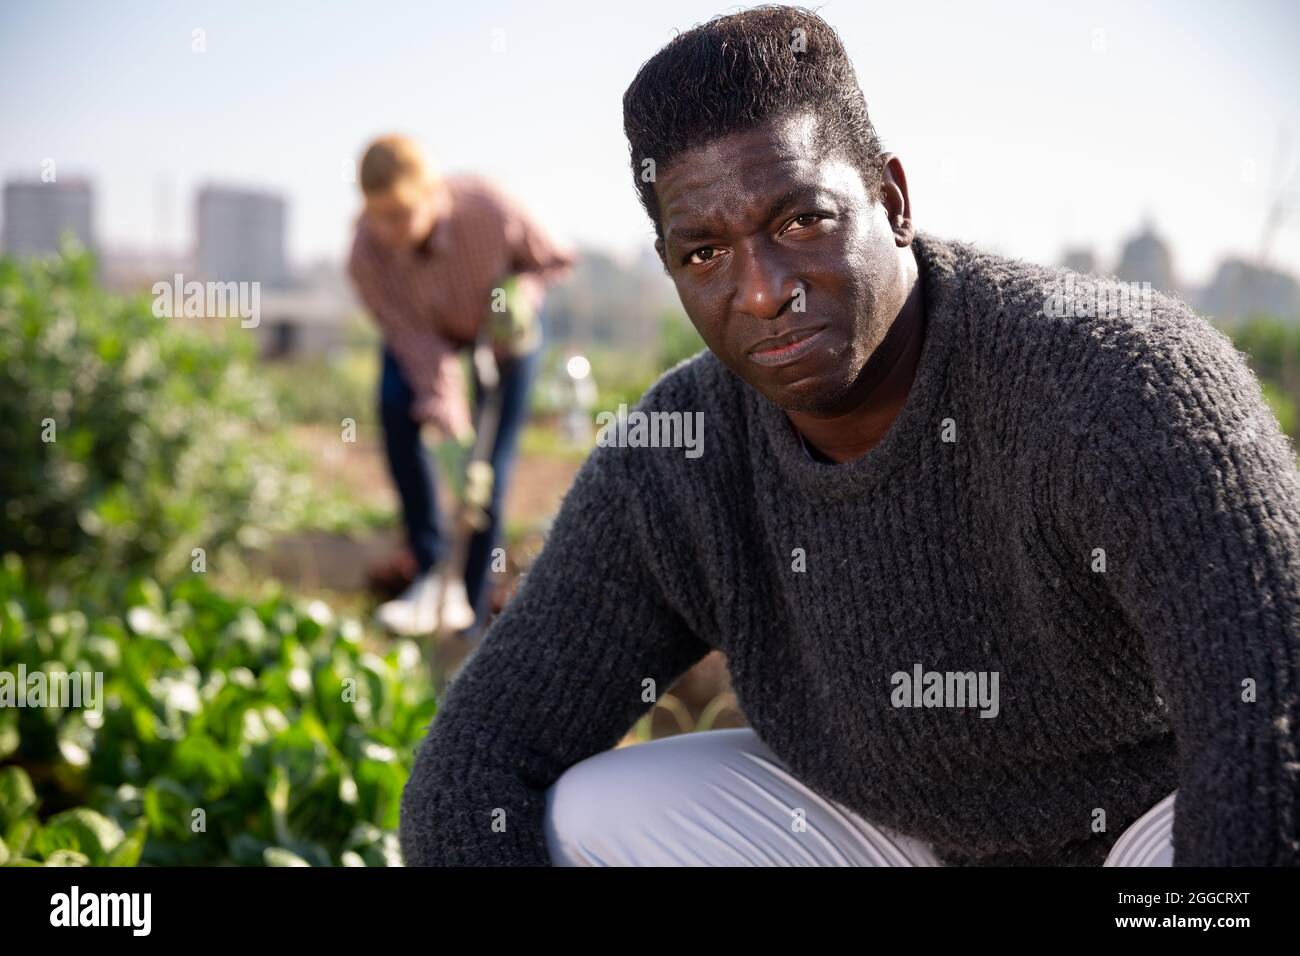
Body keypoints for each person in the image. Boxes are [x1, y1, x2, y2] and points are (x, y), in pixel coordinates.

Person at [398, 7, 1300, 866]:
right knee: (588, 814)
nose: (760, 290)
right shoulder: (680, 456)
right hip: (893, 837)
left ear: (892, 198)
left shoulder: (1117, 379)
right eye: (704, 253)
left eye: (799, 220)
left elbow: (1270, 712)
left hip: (1153, 829)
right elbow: (477, 759)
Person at [346, 134, 574, 638]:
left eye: (402, 214)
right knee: (395, 405)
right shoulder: (366, 255)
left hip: (504, 331)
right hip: (434, 336)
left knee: (491, 463)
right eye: (378, 216)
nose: (390, 231)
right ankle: (430, 568)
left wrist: (521, 293)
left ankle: (468, 608)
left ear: (433, 193)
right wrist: (450, 430)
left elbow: (555, 258)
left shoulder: (487, 208)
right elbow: (418, 347)